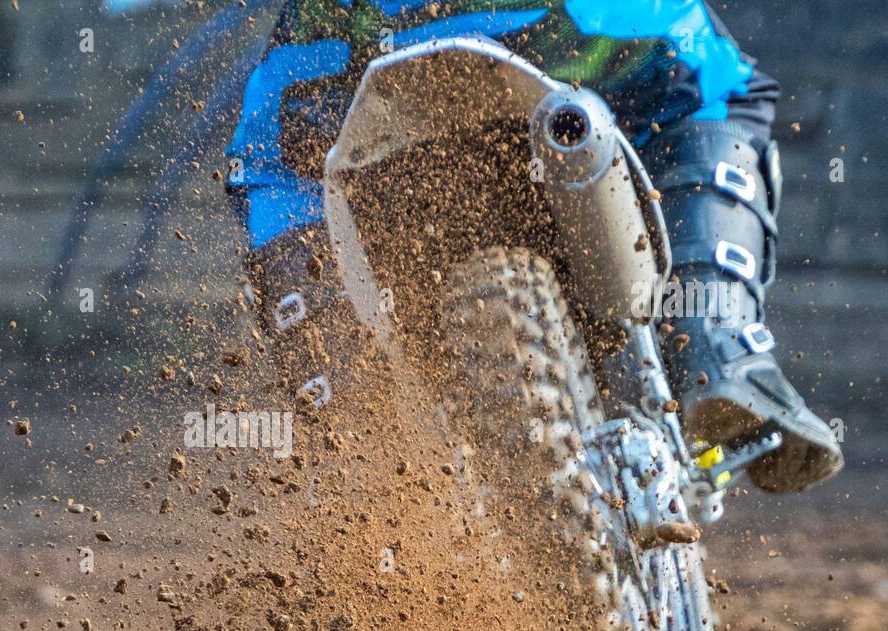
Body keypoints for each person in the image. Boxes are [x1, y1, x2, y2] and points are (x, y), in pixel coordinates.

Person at [224, 0, 843, 492]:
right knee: (713, 90)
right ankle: (717, 342)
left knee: (272, 165)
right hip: (563, 25)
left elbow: (268, 173)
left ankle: (355, 443)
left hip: (345, 56)